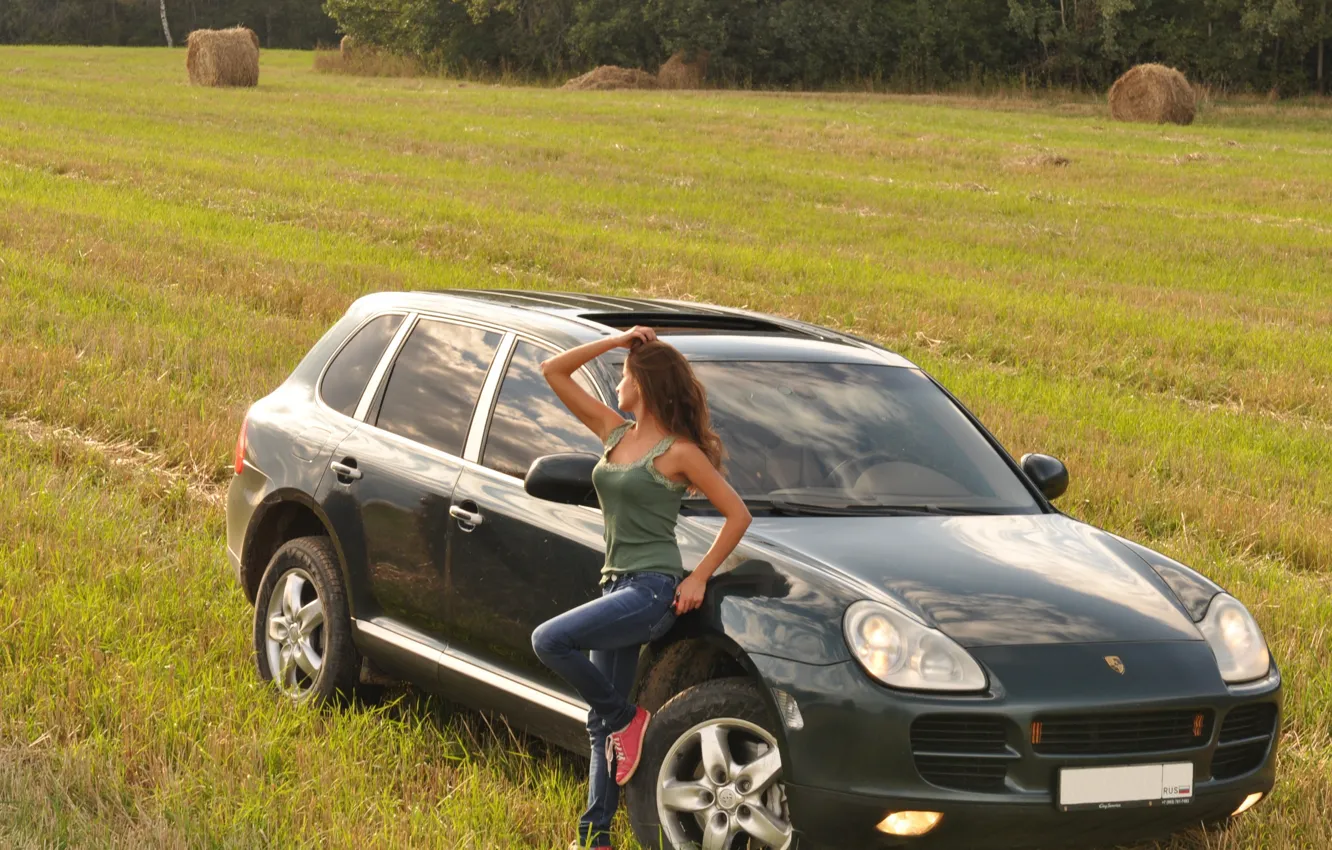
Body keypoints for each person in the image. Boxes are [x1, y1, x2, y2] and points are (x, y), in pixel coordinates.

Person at [531, 324, 752, 850]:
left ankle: (630, 718)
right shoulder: (614, 433)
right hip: (615, 586)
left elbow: (737, 514)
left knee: (549, 640)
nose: (617, 386)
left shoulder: (679, 453)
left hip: (652, 591)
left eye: (625, 376)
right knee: (598, 723)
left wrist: (699, 575)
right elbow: (552, 371)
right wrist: (616, 342)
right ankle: (595, 837)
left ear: (646, 386)